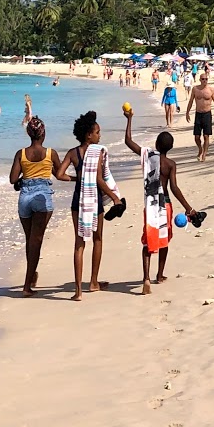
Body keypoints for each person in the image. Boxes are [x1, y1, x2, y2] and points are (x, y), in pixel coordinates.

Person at [122, 106, 205, 293]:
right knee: (164, 240)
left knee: (148, 241)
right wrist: (189, 208)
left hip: (151, 206)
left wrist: (129, 119)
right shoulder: (170, 164)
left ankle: (146, 279)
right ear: (171, 147)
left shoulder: (149, 156)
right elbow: (174, 188)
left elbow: (128, 141)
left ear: (157, 145)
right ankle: (159, 275)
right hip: (165, 205)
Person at [53, 110, 125, 300]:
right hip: (94, 200)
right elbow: (99, 180)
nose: (100, 136)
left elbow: (59, 174)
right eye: (97, 132)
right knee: (98, 238)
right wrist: (115, 197)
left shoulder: (73, 153)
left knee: (79, 243)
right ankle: (93, 282)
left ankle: (77, 291)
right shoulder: (98, 152)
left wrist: (78, 178)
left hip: (78, 199)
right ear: (89, 135)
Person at [8, 116, 56, 296]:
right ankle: (27, 286)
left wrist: (26, 179)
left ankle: (32, 275)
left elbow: (13, 179)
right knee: (36, 241)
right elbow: (59, 173)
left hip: (25, 198)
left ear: (29, 134)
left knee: (30, 240)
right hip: (42, 197)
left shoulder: (21, 153)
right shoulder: (50, 153)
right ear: (43, 133)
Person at [184, 71, 214, 161]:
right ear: (200, 80)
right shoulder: (195, 89)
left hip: (207, 114)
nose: (205, 81)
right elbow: (191, 101)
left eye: (206, 79)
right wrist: (187, 112)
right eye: (203, 79)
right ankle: (200, 149)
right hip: (198, 114)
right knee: (197, 137)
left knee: (206, 136)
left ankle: (204, 154)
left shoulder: (211, 90)